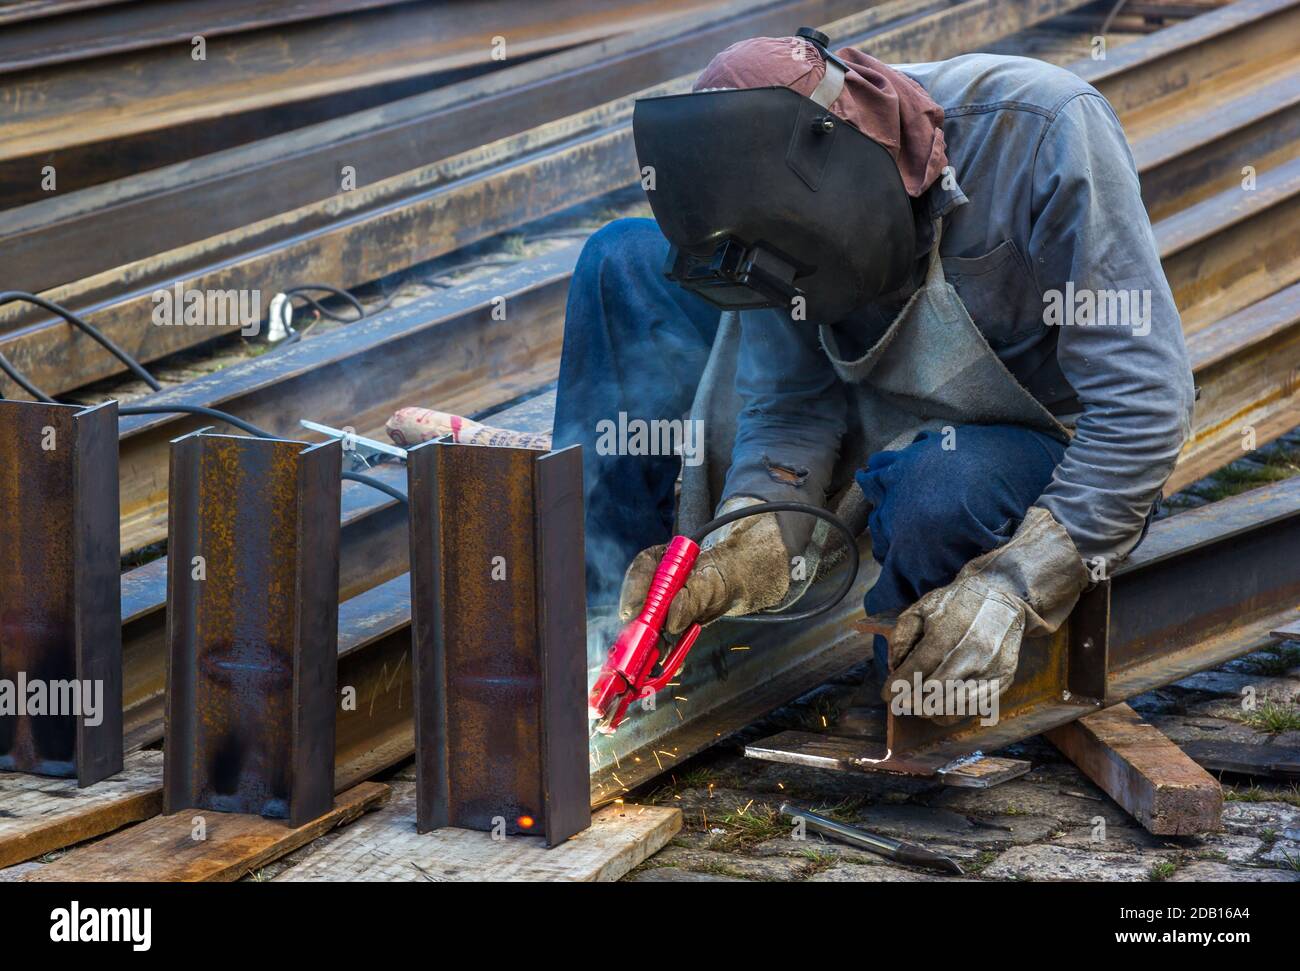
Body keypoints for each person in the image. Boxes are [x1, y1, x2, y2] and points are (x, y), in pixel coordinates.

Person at [553, 29, 1194, 706]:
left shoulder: (1043, 132)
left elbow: (1145, 408)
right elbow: (790, 410)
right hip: (870, 411)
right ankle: (612, 636)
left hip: (1024, 443)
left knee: (935, 494)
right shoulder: (764, 202)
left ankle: (912, 677)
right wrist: (744, 546)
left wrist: (1013, 586)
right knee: (620, 260)